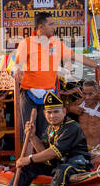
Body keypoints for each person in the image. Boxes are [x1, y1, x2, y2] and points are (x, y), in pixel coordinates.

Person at [0, 91, 90, 186]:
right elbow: (43, 152)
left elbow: (53, 152)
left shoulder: (71, 127)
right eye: (49, 113)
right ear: (44, 114)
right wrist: (32, 136)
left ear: (64, 111)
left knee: (61, 170)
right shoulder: (50, 129)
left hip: (77, 162)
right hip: (57, 161)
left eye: (56, 112)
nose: (52, 116)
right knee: (27, 167)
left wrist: (29, 158)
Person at [13, 12, 73, 150]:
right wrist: (17, 70)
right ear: (41, 26)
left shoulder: (55, 43)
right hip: (29, 93)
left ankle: (44, 162)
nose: (54, 27)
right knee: (28, 131)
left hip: (49, 94)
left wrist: (97, 66)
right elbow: (17, 63)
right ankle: (27, 164)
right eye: (51, 24)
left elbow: (73, 56)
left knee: (47, 133)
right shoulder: (26, 43)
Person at [66, 77, 100, 166]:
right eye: (84, 94)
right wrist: (71, 108)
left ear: (97, 93)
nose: (87, 97)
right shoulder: (79, 103)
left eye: (90, 94)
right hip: (80, 147)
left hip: (96, 148)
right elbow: (63, 110)